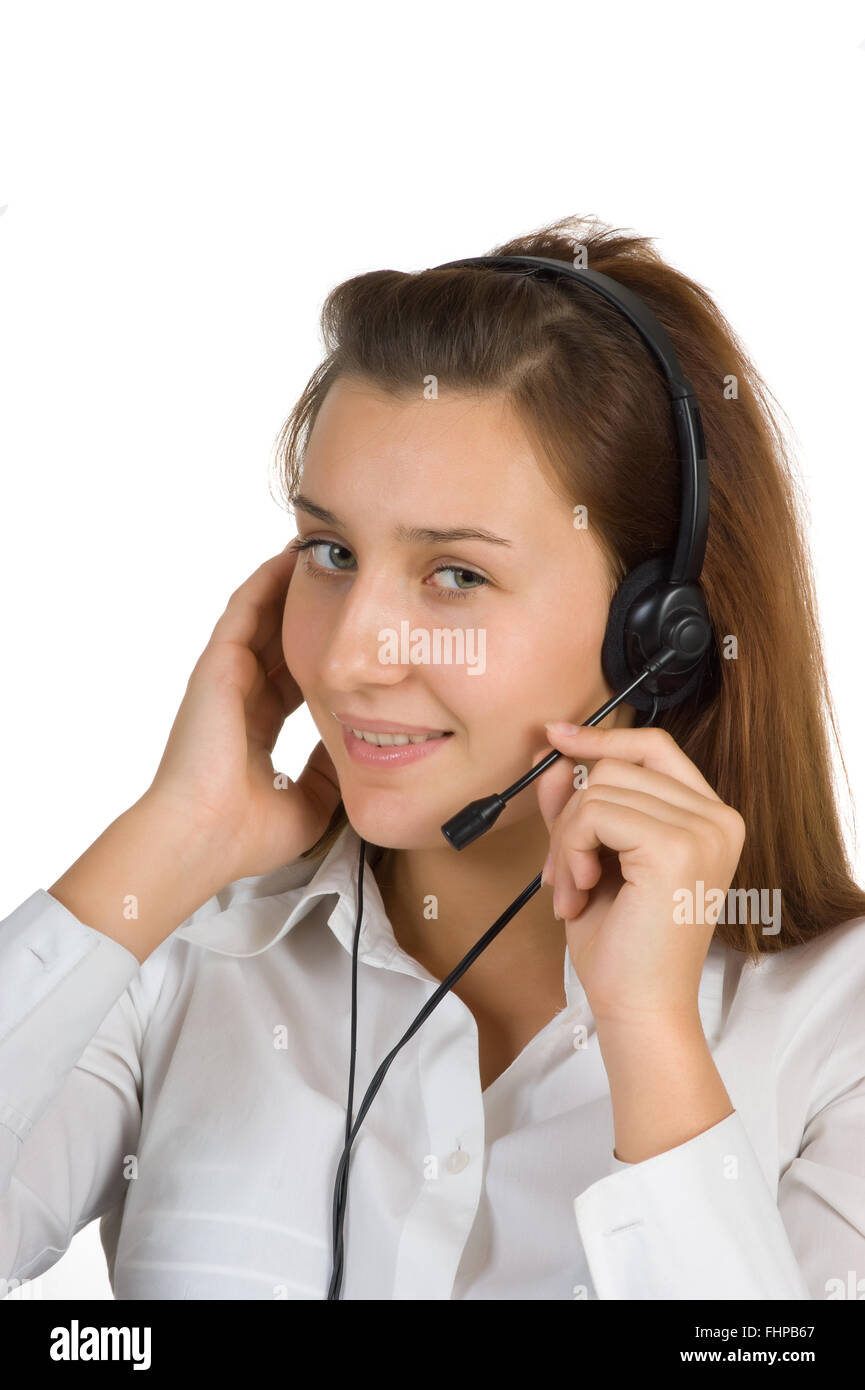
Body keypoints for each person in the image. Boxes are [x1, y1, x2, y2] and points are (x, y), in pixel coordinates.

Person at [2, 215, 864, 1301]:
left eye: (454, 575)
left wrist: (652, 1040)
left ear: (656, 633)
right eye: (331, 551)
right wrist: (170, 843)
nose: (354, 655)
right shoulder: (184, 953)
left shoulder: (838, 1028)